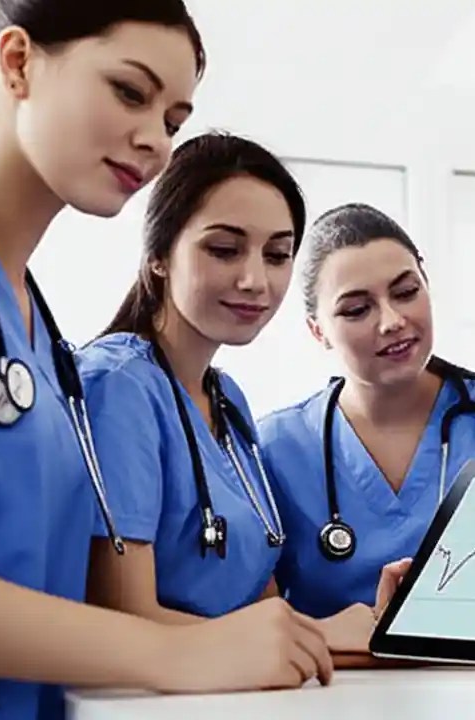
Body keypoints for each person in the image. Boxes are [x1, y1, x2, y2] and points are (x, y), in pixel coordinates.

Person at [0, 3, 331, 718]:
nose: (154, 141)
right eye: (129, 92)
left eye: (174, 121)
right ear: (18, 62)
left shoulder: (36, 326)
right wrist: (171, 651)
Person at [76, 132, 374, 653]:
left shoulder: (226, 399)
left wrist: (381, 639)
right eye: (224, 250)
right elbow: (124, 620)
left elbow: (261, 604)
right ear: (159, 255)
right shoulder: (118, 386)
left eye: (277, 255)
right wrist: (323, 634)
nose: (255, 279)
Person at [259, 203, 475, 623]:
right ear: (318, 331)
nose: (392, 321)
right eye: (357, 309)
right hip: (334, 684)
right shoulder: (277, 447)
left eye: (406, 292)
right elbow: (263, 621)